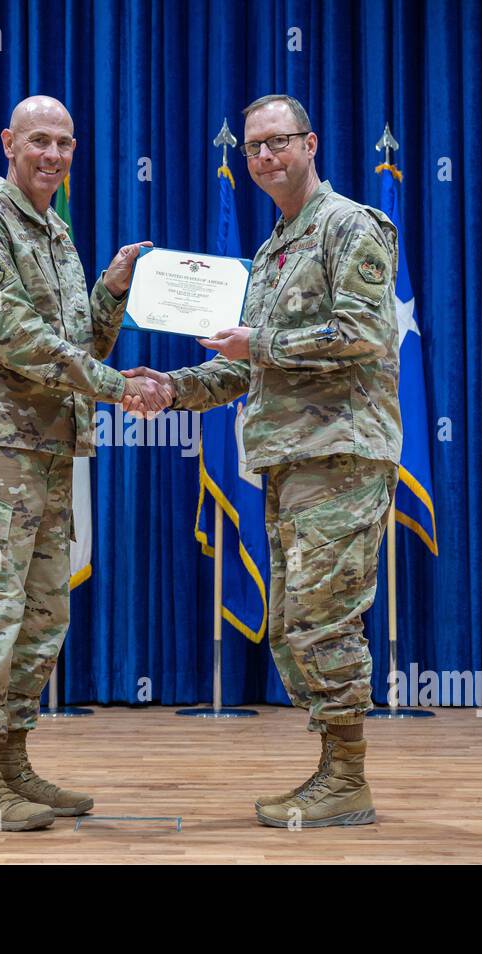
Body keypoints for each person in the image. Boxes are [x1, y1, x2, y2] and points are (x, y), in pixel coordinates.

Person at [123, 94, 401, 828]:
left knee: (325, 622)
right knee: (294, 623)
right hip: (289, 458)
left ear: (312, 143)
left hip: (341, 454)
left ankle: (348, 781)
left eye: (278, 142)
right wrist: (168, 388)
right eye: (253, 148)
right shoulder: (273, 252)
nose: (265, 157)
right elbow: (246, 369)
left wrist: (263, 345)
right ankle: (333, 772)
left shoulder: (351, 226)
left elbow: (366, 333)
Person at [0, 95, 171, 831]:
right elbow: (18, 339)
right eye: (39, 140)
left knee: (38, 623)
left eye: (65, 143)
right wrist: (117, 388)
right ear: (8, 141)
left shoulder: (56, 233)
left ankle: (13, 765)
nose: (53, 154)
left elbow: (80, 344)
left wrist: (113, 291)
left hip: (47, 456)